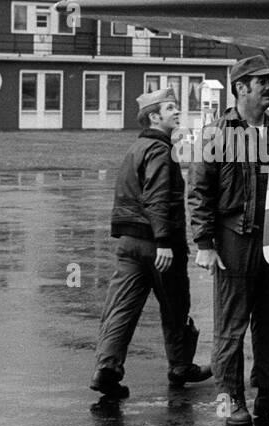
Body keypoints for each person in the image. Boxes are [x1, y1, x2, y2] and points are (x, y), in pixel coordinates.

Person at [189, 55, 269, 426]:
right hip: (233, 241)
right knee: (231, 327)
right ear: (241, 87)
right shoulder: (217, 134)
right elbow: (199, 192)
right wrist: (204, 243)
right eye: (262, 82)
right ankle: (230, 402)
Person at [90, 87, 212, 400]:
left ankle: (107, 369)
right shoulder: (159, 151)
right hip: (159, 245)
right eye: (170, 108)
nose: (177, 112)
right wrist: (163, 242)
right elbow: (157, 197)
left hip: (129, 244)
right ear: (154, 117)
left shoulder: (136, 148)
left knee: (121, 308)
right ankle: (181, 366)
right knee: (176, 306)